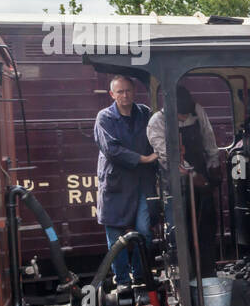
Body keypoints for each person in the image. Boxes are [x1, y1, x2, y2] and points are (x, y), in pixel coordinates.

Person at [147, 85, 221, 273]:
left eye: (187, 115)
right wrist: (192, 175)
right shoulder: (156, 122)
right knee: (179, 232)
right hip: (173, 185)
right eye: (181, 116)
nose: (185, 118)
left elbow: (209, 138)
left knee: (207, 227)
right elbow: (169, 157)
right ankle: (185, 278)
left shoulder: (197, 110)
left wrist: (213, 166)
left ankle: (208, 272)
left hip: (201, 178)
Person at [94, 75, 157, 288]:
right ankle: (121, 280)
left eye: (128, 90)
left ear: (134, 91)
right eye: (119, 92)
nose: (124, 95)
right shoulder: (104, 118)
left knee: (144, 231)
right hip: (115, 185)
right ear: (112, 94)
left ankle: (140, 276)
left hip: (141, 183)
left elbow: (155, 137)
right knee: (115, 238)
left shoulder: (145, 113)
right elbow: (112, 150)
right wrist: (144, 159)